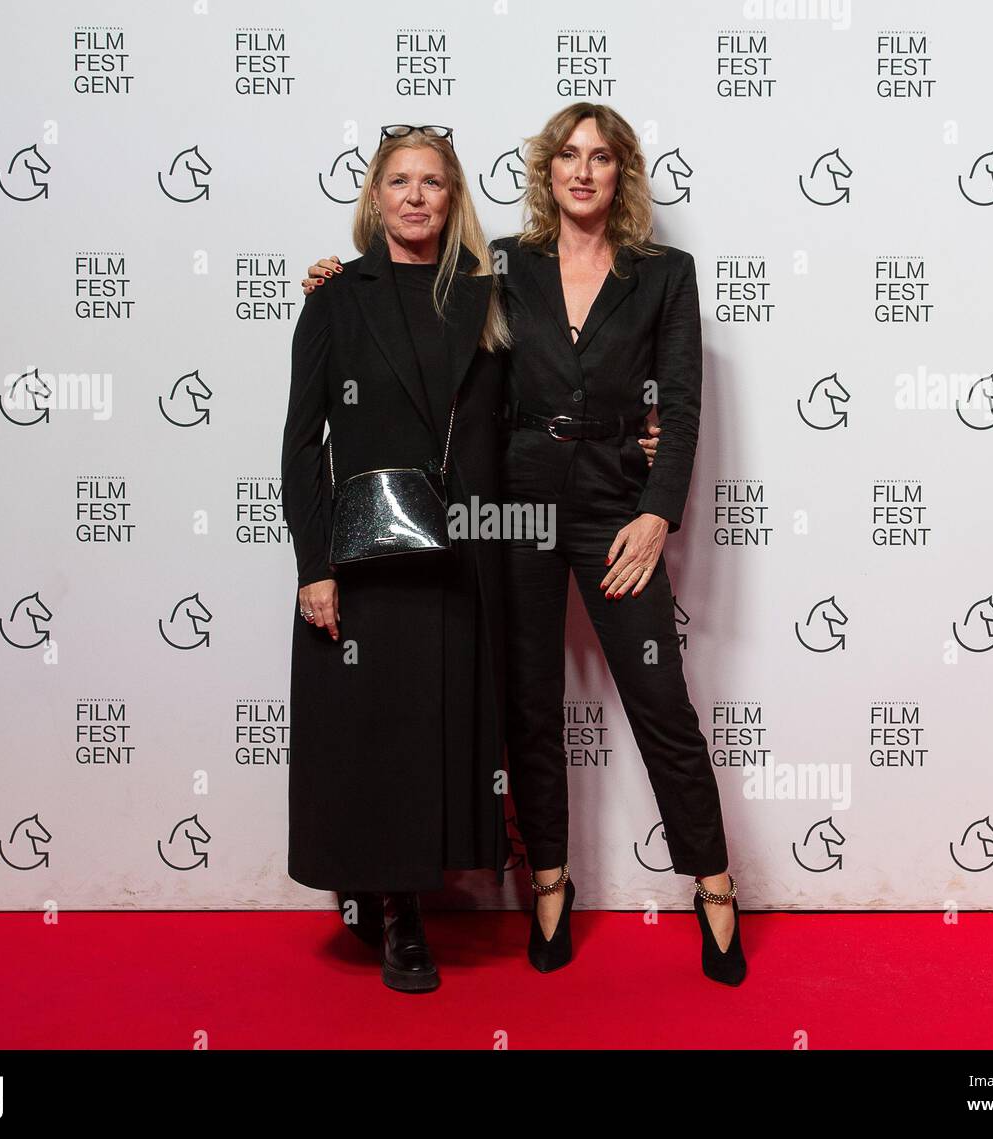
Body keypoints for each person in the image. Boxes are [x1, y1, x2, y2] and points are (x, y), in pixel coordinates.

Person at [298, 103, 742, 985]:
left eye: (601, 157)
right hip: (519, 507)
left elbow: (682, 404)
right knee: (530, 708)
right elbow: (408, 306)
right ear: (547, 171)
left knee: (662, 704)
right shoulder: (498, 268)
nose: (583, 172)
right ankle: (549, 883)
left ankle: (716, 887)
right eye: (568, 156)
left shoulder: (666, 273)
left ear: (623, 174)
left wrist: (656, 509)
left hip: (618, 509)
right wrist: (335, 282)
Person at [280, 124, 512, 993]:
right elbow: (302, 447)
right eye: (399, 182)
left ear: (454, 199)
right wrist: (314, 565)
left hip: (459, 558)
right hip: (366, 559)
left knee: (431, 732)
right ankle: (392, 912)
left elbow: (527, 413)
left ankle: (411, 891)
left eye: (433, 183)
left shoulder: (488, 297)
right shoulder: (336, 301)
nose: (416, 196)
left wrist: (637, 436)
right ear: (374, 198)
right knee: (369, 734)